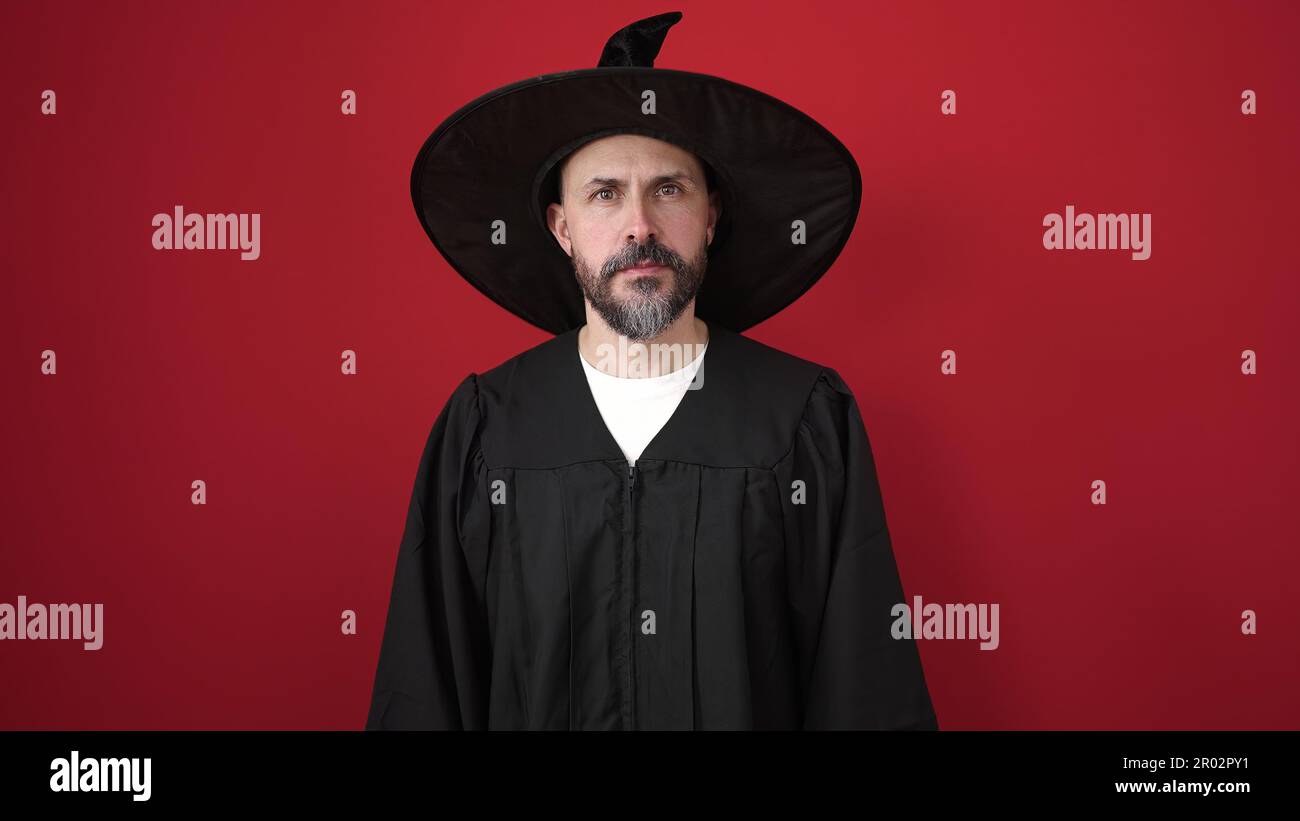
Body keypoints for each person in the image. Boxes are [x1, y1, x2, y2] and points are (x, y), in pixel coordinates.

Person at [365, 11, 938, 730]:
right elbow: (425, 689)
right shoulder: (487, 431)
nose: (639, 225)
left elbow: (864, 689)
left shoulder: (802, 421)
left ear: (710, 217)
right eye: (604, 193)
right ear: (561, 226)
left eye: (668, 189)